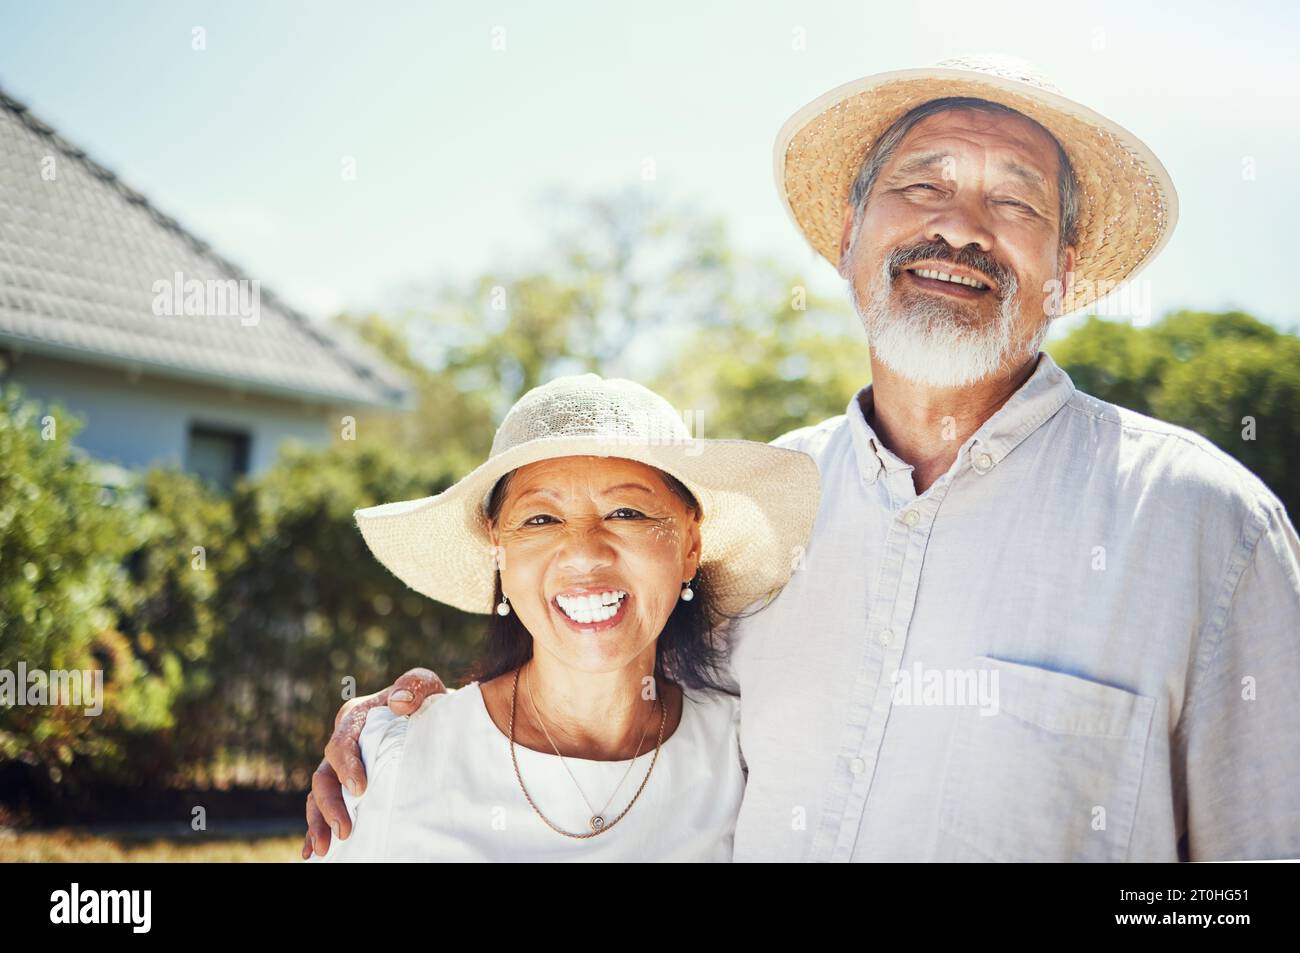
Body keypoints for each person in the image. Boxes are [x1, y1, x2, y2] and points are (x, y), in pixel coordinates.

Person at [306, 54, 1300, 862]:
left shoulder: (1204, 526)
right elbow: (609, 682)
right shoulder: (762, 516)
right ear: (847, 236)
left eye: (1016, 202)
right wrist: (417, 730)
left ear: (1066, 274)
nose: (959, 224)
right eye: (923, 184)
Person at [305, 373, 819, 860]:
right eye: (541, 519)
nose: (584, 554)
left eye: (626, 513)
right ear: (498, 548)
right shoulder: (394, 758)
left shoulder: (745, 757)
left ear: (689, 543)